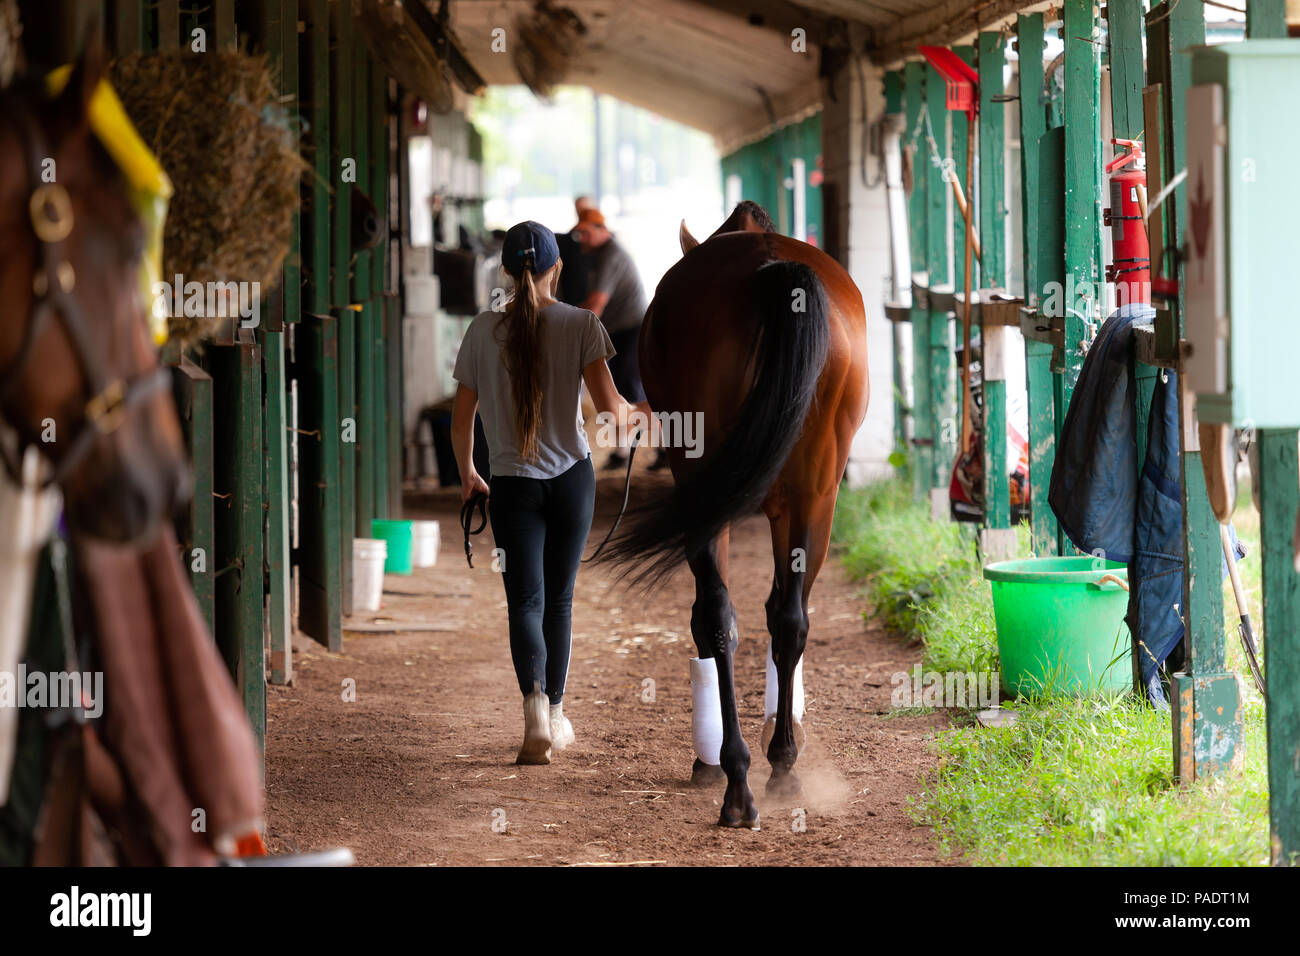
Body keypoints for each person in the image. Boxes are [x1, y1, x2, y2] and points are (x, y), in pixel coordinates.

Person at [451, 221, 654, 765]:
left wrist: (470, 472)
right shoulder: (583, 324)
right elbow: (614, 414)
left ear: (506, 273)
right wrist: (652, 410)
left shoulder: (480, 331)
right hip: (572, 483)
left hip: (512, 486)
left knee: (525, 600)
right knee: (559, 601)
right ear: (556, 267)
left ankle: (534, 708)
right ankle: (558, 714)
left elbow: (461, 420)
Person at [572, 208, 652, 470]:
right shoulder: (598, 256)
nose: (581, 238)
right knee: (621, 392)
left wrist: (562, 324)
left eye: (586, 232)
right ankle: (627, 451)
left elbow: (596, 304)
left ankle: (638, 450)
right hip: (619, 331)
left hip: (631, 330)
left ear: (601, 230)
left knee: (628, 394)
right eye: (579, 233)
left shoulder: (611, 255)